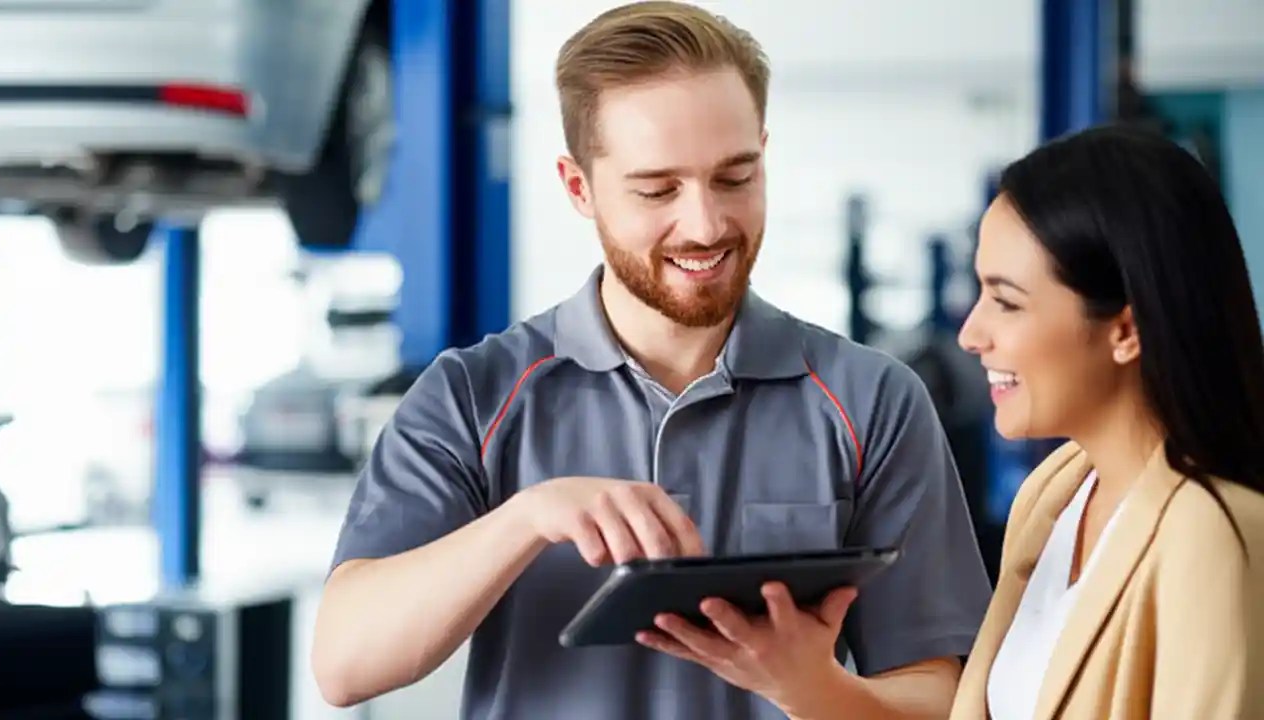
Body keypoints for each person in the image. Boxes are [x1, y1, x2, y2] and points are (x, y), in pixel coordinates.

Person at [312, 3, 991, 718]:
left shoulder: (872, 401)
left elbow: (942, 698)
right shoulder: (471, 396)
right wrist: (525, 518)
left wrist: (811, 687)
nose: (704, 224)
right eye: (657, 189)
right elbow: (344, 664)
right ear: (580, 188)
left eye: (734, 178)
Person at [949, 124, 1264, 719]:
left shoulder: (1211, 533)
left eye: (1006, 301)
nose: (971, 333)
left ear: (1126, 329)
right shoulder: (1054, 492)